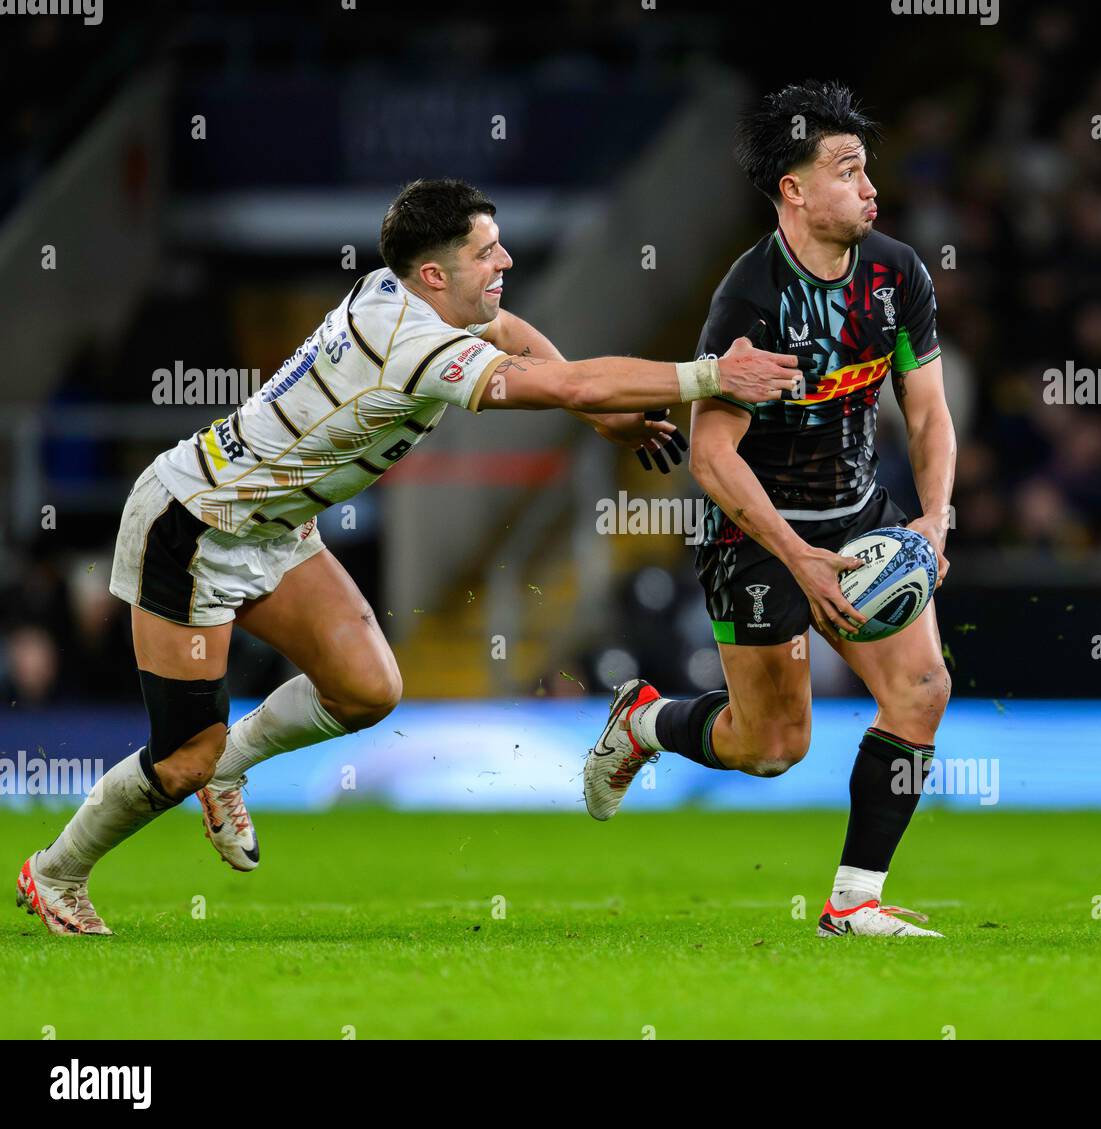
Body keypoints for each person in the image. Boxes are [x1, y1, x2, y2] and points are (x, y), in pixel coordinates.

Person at [15, 177, 803, 937]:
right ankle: (56, 872)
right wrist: (710, 375)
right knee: (183, 757)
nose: (505, 264)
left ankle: (231, 762)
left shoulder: (410, 299)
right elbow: (563, 387)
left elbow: (528, 348)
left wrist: (595, 410)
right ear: (435, 273)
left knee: (366, 688)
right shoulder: (414, 345)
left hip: (272, 525)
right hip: (193, 524)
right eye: (488, 252)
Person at [583, 81, 957, 939]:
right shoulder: (752, 298)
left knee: (923, 688)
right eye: (848, 170)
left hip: (862, 512)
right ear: (793, 190)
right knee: (772, 747)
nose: (871, 188)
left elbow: (928, 411)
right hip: (757, 530)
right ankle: (642, 721)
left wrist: (933, 519)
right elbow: (712, 457)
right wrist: (798, 559)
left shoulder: (897, 276)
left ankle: (852, 903)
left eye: (869, 169)